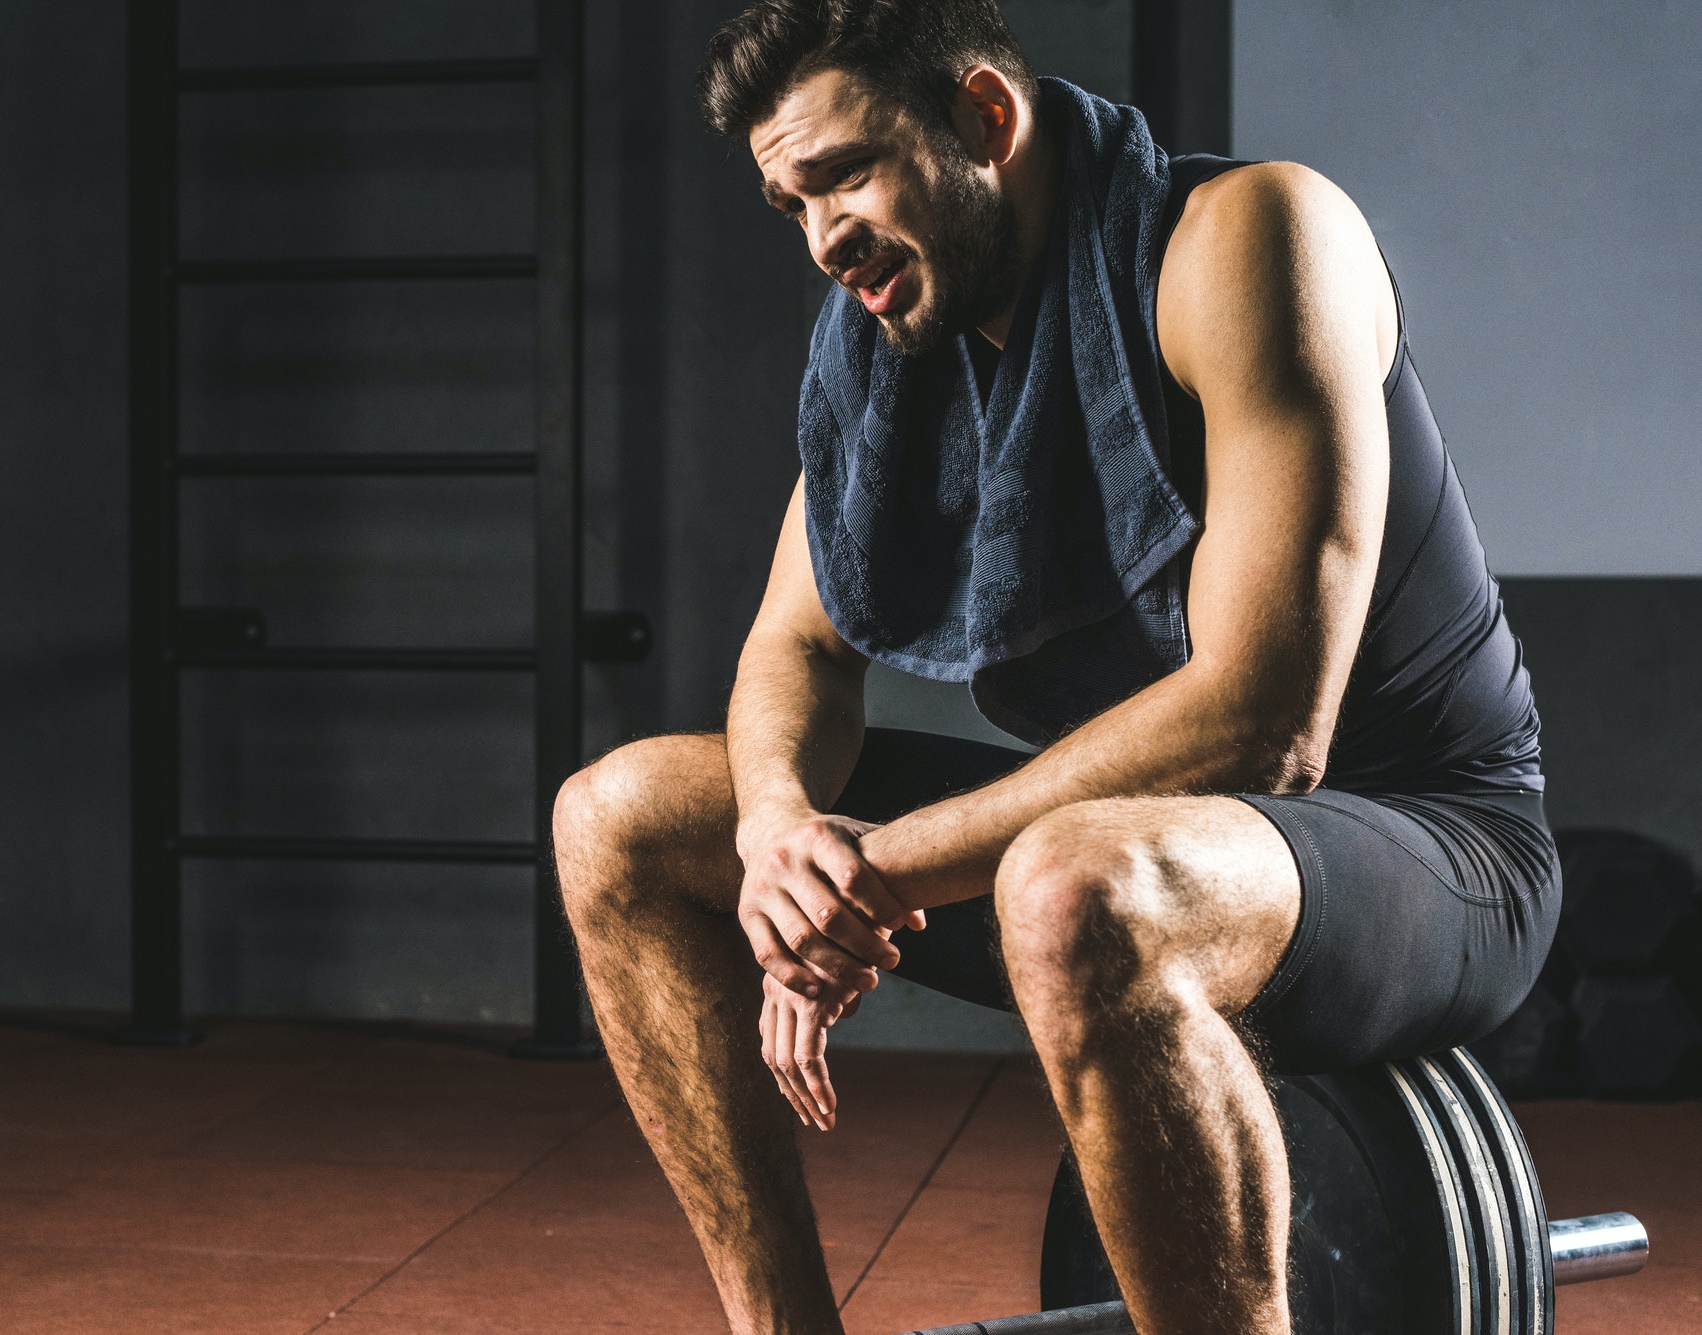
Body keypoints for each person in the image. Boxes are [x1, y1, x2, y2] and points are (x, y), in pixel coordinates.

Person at [551, 3, 1558, 1332]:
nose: (823, 237)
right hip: (1128, 853)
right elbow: (795, 650)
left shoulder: (1247, 239)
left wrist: (865, 881)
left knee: (1069, 879)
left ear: (985, 118)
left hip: (1425, 846)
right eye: (792, 202)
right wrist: (781, 839)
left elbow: (1267, 723)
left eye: (848, 172)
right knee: (618, 819)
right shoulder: (892, 360)